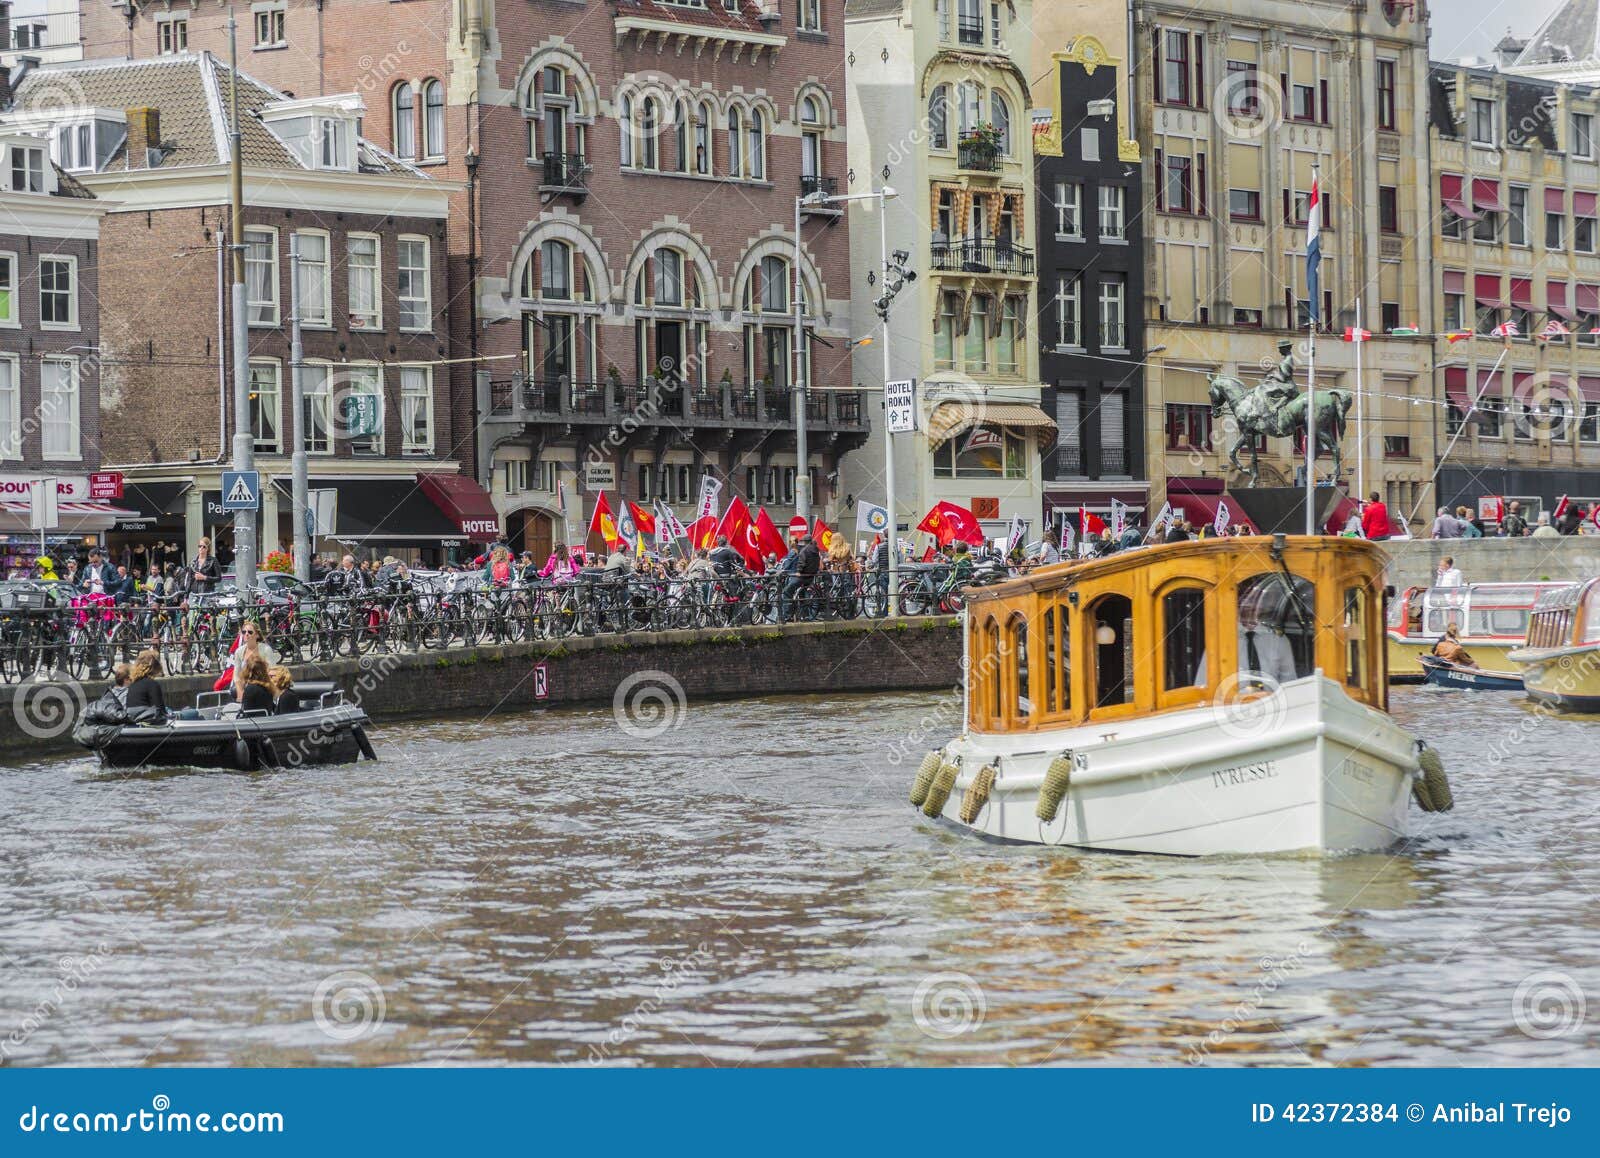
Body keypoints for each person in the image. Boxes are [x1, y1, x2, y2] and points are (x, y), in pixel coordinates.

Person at [780, 532, 821, 622]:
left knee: (786, 591)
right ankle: (804, 615)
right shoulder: (816, 550)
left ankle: (787, 615)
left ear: (804, 541)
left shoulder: (804, 550)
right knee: (802, 595)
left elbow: (801, 562)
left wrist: (798, 571)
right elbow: (817, 562)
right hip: (810, 577)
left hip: (802, 576)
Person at [125, 649, 167, 718]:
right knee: (189, 712)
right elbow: (160, 710)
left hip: (134, 718)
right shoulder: (152, 684)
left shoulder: (133, 684)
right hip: (149, 719)